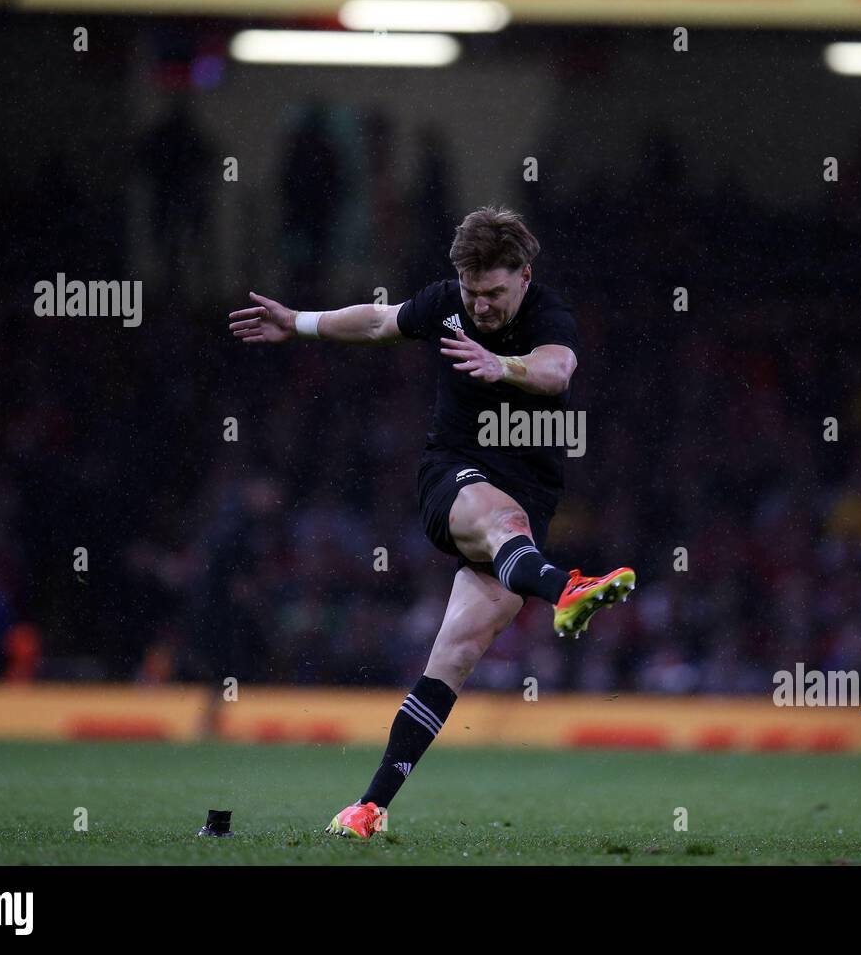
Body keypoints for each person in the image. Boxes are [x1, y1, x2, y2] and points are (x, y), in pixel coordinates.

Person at [228, 206, 635, 839]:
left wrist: (504, 366)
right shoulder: (447, 303)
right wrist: (301, 323)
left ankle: (367, 808)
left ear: (524, 277)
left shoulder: (549, 316)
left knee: (455, 655)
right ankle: (565, 589)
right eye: (472, 293)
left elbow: (559, 369)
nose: (481, 307)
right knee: (499, 521)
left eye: (494, 293)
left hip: (528, 500)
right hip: (453, 477)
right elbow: (380, 321)